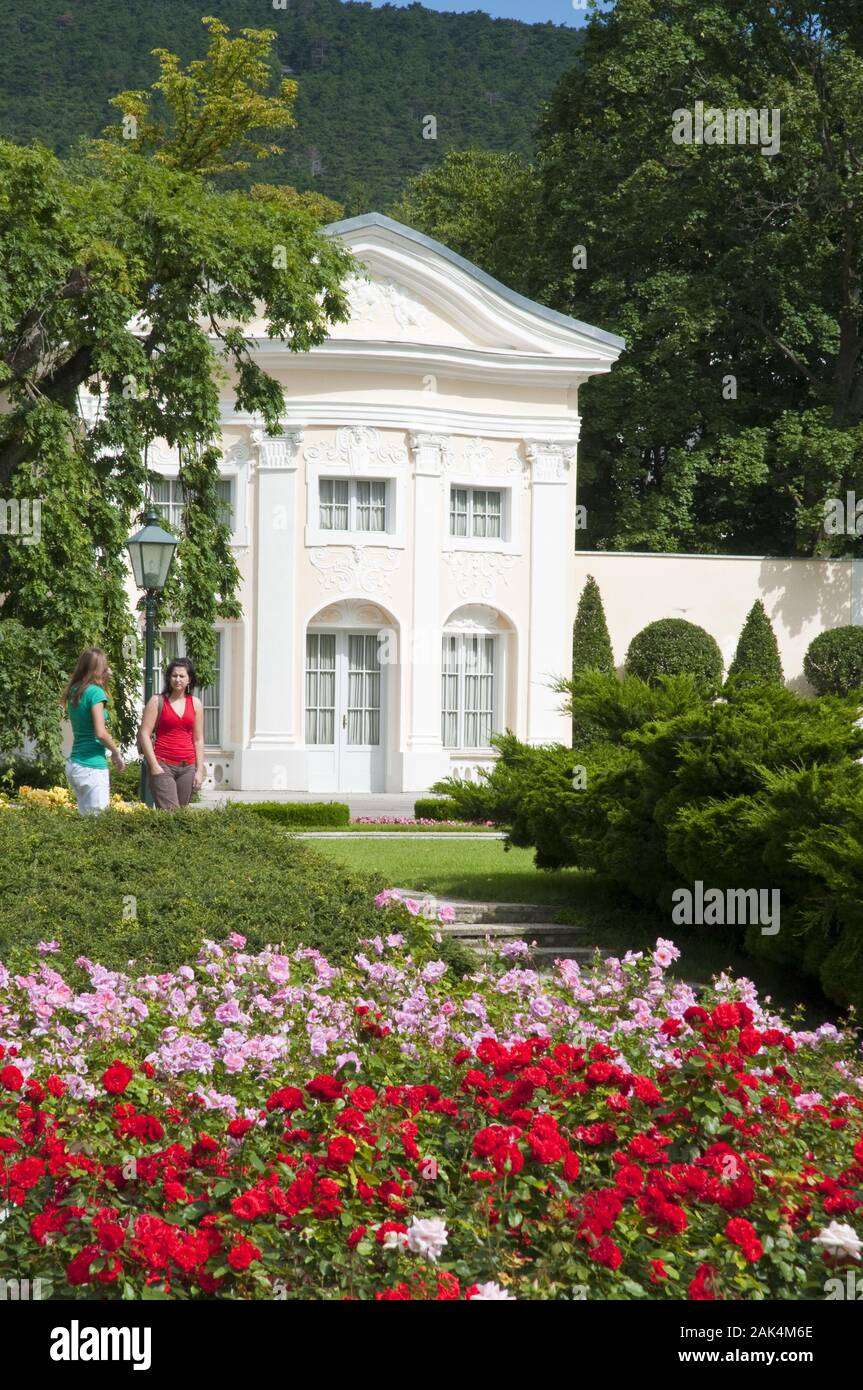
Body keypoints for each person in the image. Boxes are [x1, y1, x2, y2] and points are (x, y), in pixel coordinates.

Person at [62, 649, 126, 814]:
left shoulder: (75, 690)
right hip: (92, 767)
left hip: (76, 763)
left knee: (85, 822)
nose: (108, 669)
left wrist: (104, 679)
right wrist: (116, 752)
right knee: (98, 826)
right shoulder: (96, 692)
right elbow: (100, 732)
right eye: (105, 666)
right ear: (98, 669)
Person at [137, 657, 205, 810]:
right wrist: (153, 765)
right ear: (168, 678)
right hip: (163, 764)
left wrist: (199, 771)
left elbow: (198, 739)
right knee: (170, 813)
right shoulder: (157, 701)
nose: (178, 679)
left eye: (182, 676)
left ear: (189, 679)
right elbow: (144, 734)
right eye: (174, 676)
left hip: (188, 767)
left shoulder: (196, 704)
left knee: (180, 815)